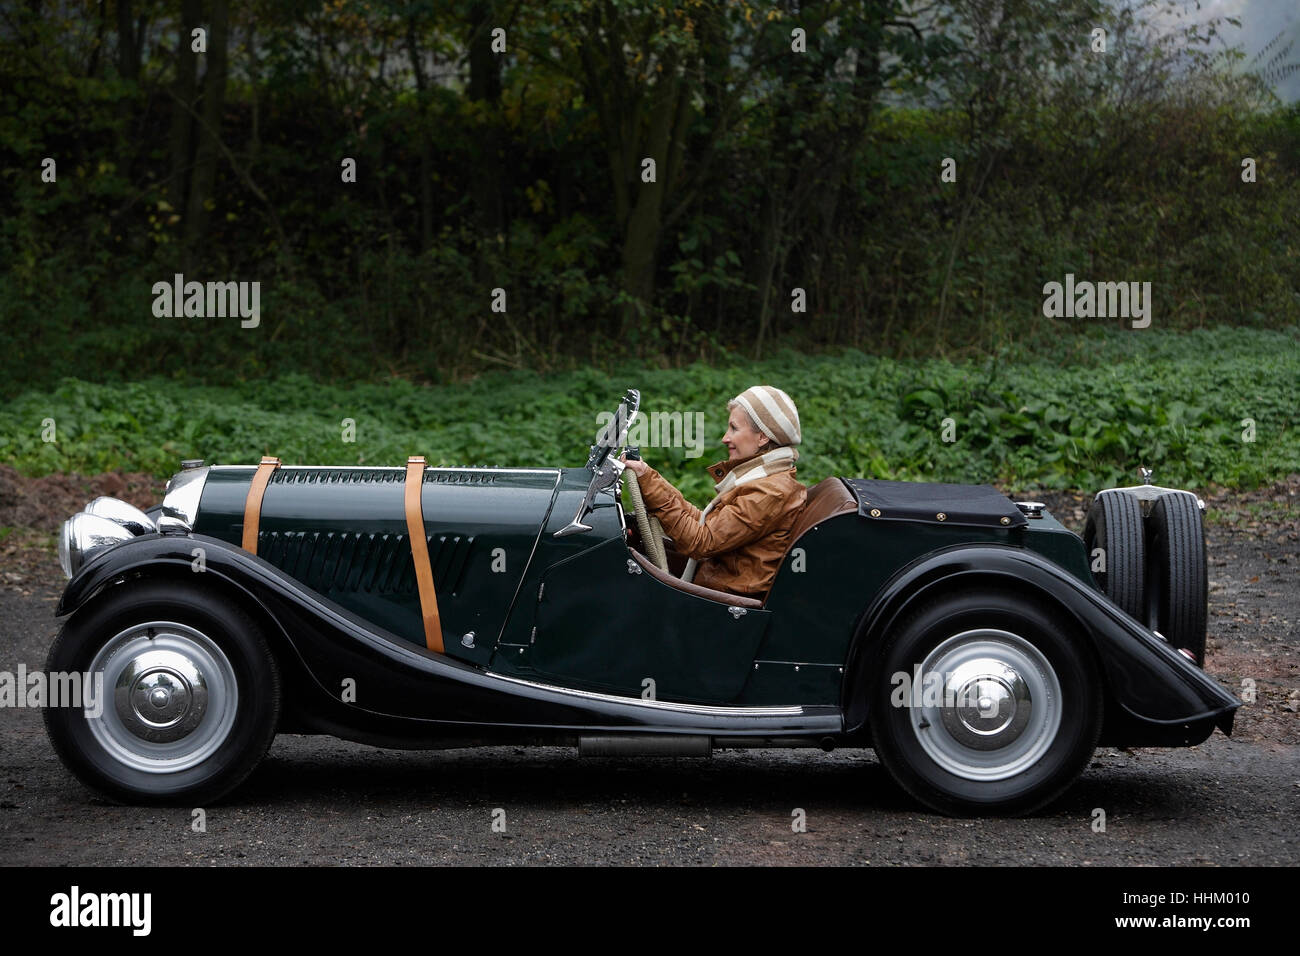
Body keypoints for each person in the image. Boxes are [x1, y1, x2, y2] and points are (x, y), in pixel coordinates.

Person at [620, 385, 807, 601]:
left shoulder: (771, 491)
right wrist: (646, 476)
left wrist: (651, 485)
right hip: (718, 590)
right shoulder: (763, 479)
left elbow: (701, 541)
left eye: (734, 429)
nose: (725, 438)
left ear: (763, 437)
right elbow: (704, 522)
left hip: (723, 603)